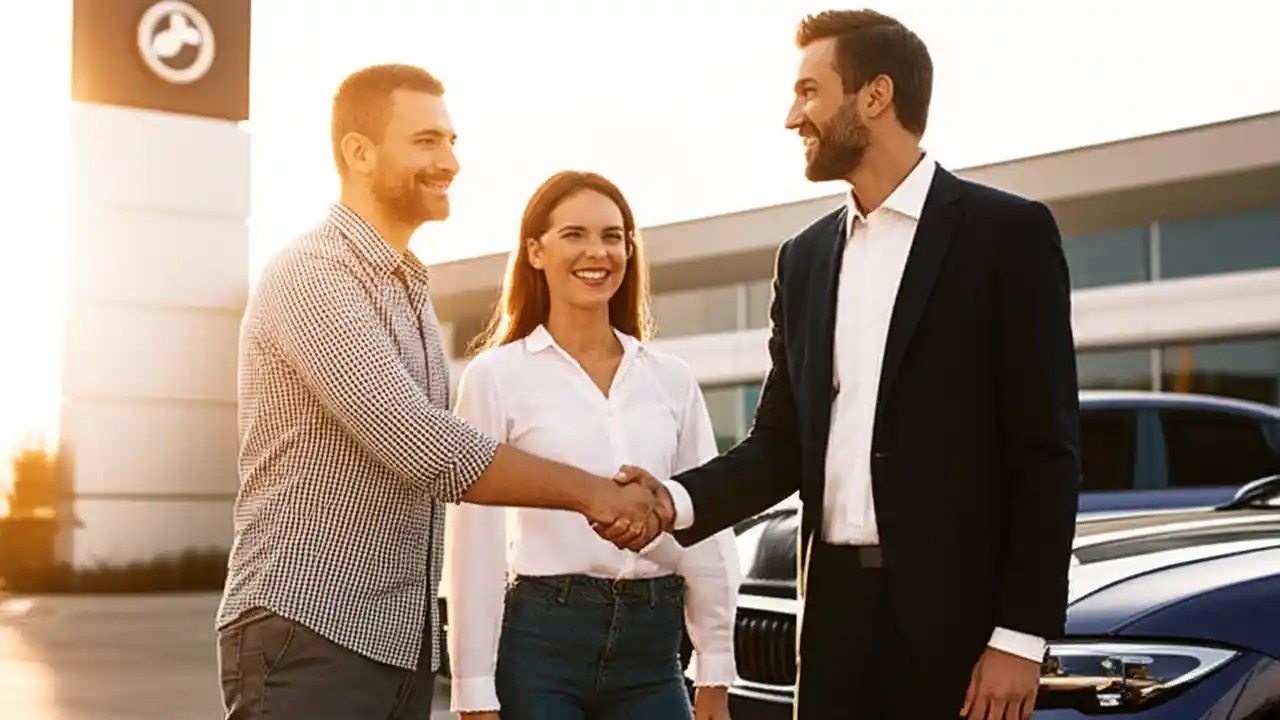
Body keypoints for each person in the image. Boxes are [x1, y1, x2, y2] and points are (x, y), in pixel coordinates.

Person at [605, 9, 1080, 720]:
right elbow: (779, 446)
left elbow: (1046, 453)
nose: (792, 115)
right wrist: (674, 501)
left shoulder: (1006, 236)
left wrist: (1021, 635)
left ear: (875, 96)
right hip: (833, 625)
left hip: (960, 628)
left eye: (808, 92)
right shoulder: (804, 259)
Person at [215, 65, 667, 720]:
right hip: (310, 631)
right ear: (360, 153)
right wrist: (596, 492)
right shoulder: (313, 273)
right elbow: (424, 446)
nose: (449, 161)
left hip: (394, 644)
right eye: (427, 141)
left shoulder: (407, 289)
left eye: (452, 142)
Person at [443, 170, 740, 720]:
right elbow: (474, 542)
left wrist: (714, 672)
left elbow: (707, 527)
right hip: (540, 648)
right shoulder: (495, 377)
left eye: (612, 236)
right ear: (535, 250)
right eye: (574, 234)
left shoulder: (670, 378)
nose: (597, 252)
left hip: (653, 654)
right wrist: (474, 690)